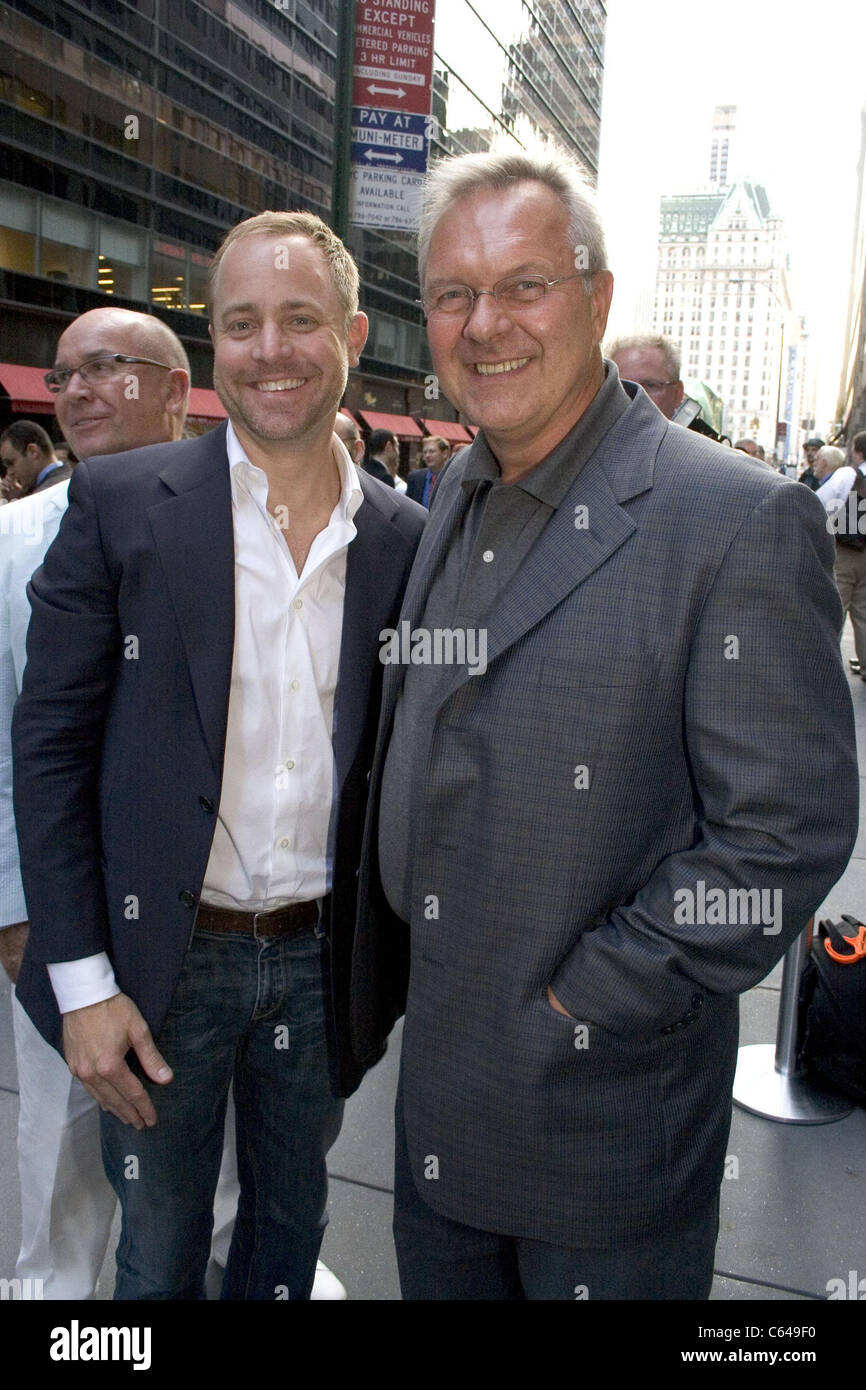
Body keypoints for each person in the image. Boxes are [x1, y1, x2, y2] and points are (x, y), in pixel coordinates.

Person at [362, 148, 858, 1300]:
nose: (484, 324)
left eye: (522, 284)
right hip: (437, 1108)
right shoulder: (456, 493)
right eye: (451, 294)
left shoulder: (735, 518)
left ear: (595, 295)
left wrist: (581, 996)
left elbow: (780, 839)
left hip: (600, 1128)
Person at [12, 211, 425, 1300]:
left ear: (352, 330)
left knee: (288, 1232)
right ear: (212, 346)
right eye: (240, 323)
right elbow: (47, 750)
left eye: (298, 319)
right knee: (154, 1249)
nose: (268, 348)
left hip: (319, 962)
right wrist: (81, 978)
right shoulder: (116, 507)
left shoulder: (404, 542)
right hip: (160, 965)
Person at [0, 308, 190, 1300]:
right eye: (62, 373)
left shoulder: (240, 527)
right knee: (65, 1177)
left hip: (209, 937)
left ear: (172, 390)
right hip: (59, 931)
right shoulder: (9, 540)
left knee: (210, 1184)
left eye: (104, 368)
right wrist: (16, 911)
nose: (74, 390)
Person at [607, 333, 721, 440]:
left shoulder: (701, 457)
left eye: (650, 385)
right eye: (623, 385)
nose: (636, 396)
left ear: (678, 394)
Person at [821, 433, 866, 679]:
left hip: (847, 550)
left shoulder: (848, 475)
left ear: (857, 450)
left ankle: (828, 666)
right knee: (863, 612)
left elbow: (820, 502)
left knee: (836, 608)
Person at [0, 421, 71, 498]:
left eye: (11, 463)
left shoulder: (46, 493)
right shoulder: (70, 477)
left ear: (33, 451)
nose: (10, 472)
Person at [407, 436, 449, 507]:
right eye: (425, 452)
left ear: (444, 454)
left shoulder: (452, 478)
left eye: (431, 451)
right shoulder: (414, 478)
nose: (427, 455)